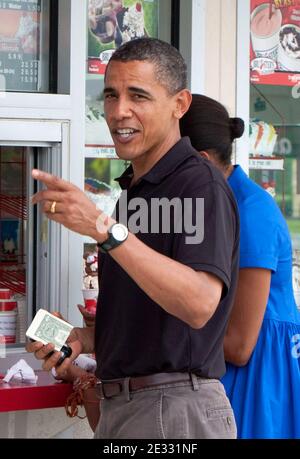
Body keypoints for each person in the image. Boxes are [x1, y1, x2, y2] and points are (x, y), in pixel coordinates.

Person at [26, 38, 240, 439]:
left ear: (179, 105)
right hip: (132, 408)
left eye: (138, 95)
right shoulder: (139, 189)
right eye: (111, 95)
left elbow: (198, 304)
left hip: (173, 411)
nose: (119, 110)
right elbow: (154, 322)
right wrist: (82, 339)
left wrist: (102, 229)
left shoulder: (198, 183)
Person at [180, 94, 300, 439]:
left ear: (201, 160)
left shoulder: (250, 212)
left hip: (259, 376)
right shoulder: (208, 204)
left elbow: (239, 345)